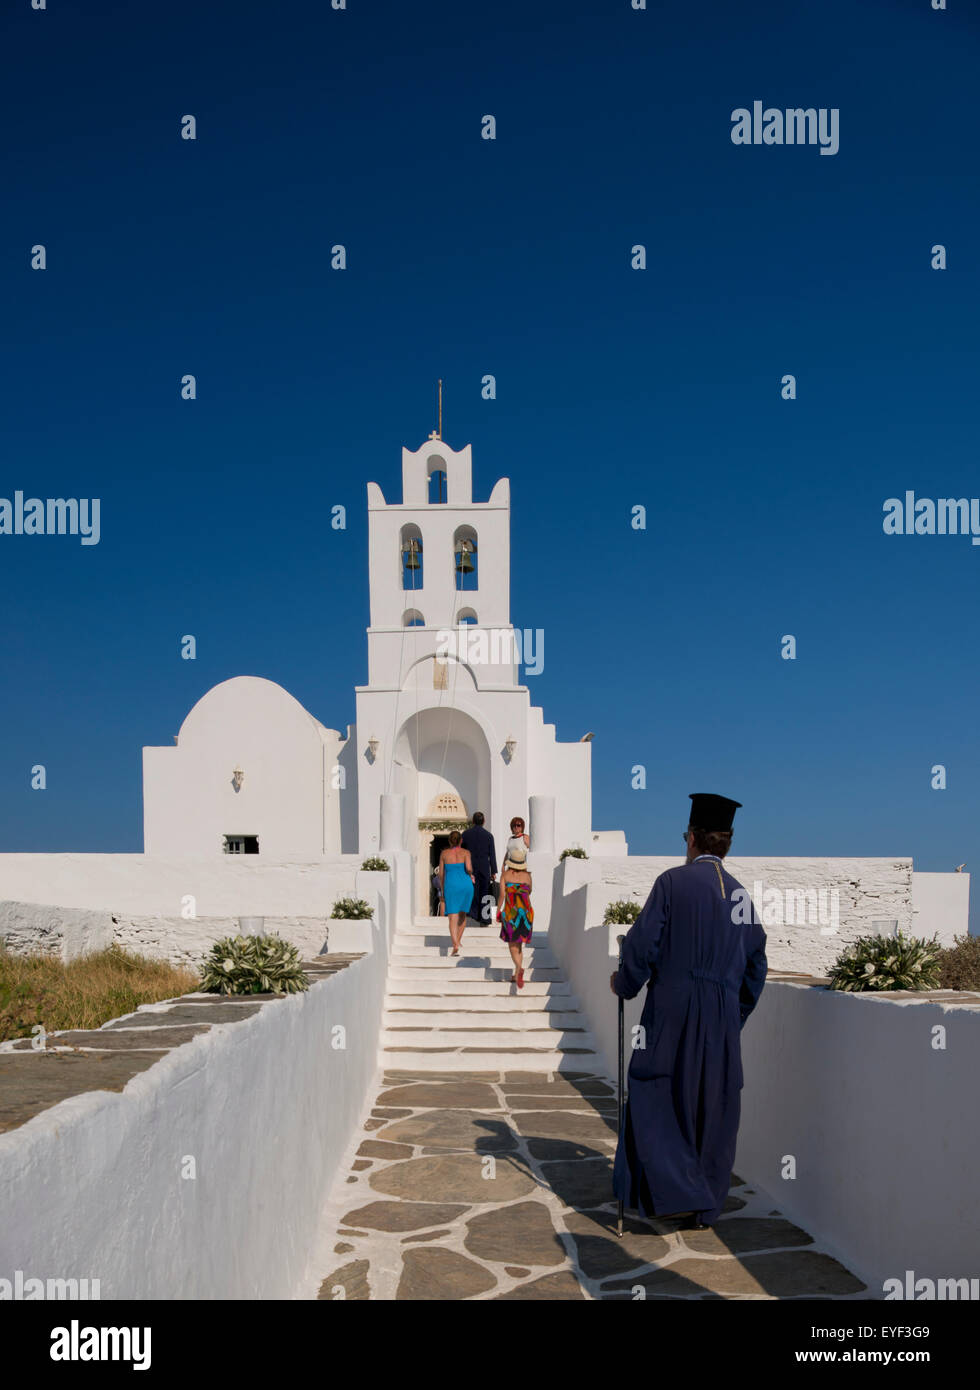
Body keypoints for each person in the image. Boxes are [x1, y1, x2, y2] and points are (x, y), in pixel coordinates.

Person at [610, 793, 767, 1230]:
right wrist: (733, 1015)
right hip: (720, 1020)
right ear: (726, 845)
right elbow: (757, 965)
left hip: (672, 1010)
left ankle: (674, 1192)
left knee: (653, 1091)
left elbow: (642, 946)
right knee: (711, 1106)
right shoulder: (741, 898)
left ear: (693, 839)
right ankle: (703, 1204)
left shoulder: (672, 883)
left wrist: (623, 983)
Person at [497, 837, 533, 988]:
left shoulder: (505, 876)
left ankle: (518, 968)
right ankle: (517, 973)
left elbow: (502, 896)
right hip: (526, 912)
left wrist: (497, 912)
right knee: (519, 945)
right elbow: (529, 892)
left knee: (512, 945)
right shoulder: (527, 876)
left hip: (511, 912)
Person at [439, 829, 475, 957]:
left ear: (449, 841)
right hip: (465, 885)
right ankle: (458, 941)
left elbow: (441, 874)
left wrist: (442, 889)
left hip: (451, 885)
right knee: (462, 915)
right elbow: (469, 868)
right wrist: (471, 875)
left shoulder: (444, 854)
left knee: (452, 917)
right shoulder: (466, 852)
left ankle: (455, 943)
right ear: (461, 840)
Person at [461, 811, 497, 926]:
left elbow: (462, 853)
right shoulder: (489, 836)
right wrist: (494, 870)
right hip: (484, 867)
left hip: (470, 867)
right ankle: (485, 918)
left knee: (472, 891)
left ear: (473, 821)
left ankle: (473, 915)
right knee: (485, 892)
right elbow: (492, 854)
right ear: (484, 821)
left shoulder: (465, 834)